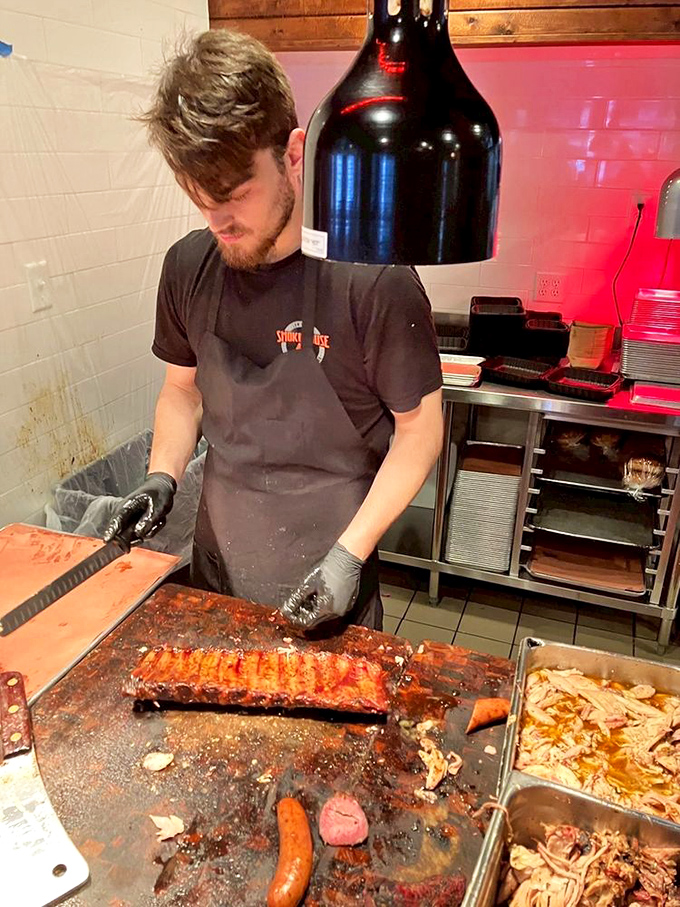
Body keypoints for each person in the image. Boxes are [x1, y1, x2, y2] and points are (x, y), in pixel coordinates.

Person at [104, 30, 444, 632]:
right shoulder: (188, 267)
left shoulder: (372, 280)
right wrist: (163, 474)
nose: (217, 222)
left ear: (294, 153)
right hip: (219, 576)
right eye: (198, 197)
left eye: (235, 195)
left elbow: (420, 432)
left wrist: (349, 556)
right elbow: (182, 391)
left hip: (332, 580)